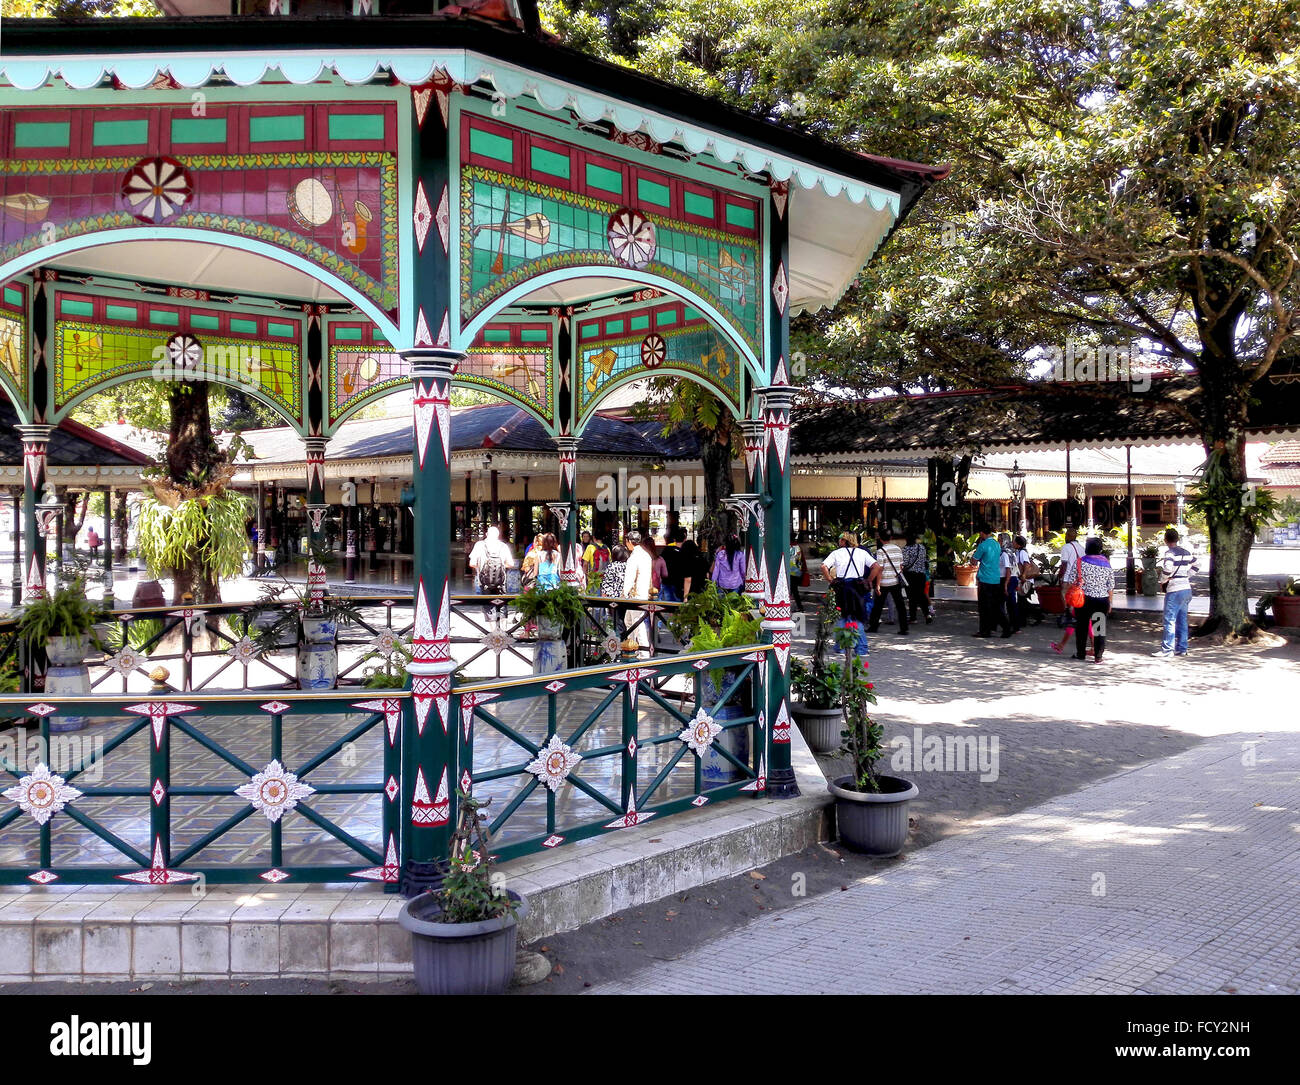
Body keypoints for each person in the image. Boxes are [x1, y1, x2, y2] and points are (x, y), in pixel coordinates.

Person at [822, 531, 879, 656]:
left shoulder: (836, 553)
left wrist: (831, 580)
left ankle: (841, 646)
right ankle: (861, 648)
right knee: (856, 616)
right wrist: (868, 580)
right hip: (857, 586)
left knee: (842, 616)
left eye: (840, 538)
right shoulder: (862, 552)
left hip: (842, 586)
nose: (839, 541)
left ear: (844, 540)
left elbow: (824, 566)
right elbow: (876, 566)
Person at [1155, 527, 1200, 657]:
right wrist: (1187, 575)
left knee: (1169, 620)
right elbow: (1198, 564)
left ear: (1165, 540)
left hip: (1174, 589)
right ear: (1177, 539)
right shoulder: (1186, 552)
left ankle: (1167, 650)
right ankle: (1182, 648)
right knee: (1182, 620)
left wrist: (1163, 580)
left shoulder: (1169, 554)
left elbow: (1168, 568)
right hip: (1186, 588)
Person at [1075, 536, 1114, 663]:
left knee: (1081, 627)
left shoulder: (1080, 562)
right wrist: (1110, 602)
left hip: (1084, 600)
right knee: (1099, 629)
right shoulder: (1106, 563)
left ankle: (1081, 653)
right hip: (1102, 600)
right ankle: (1098, 656)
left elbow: (1072, 580)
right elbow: (1111, 585)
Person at [468, 525, 515, 623]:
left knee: (488, 608)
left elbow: (472, 563)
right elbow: (511, 564)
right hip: (500, 582)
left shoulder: (479, 545)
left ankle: (491, 634)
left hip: (484, 583)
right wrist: (500, 566)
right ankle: (502, 634)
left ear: (486, 534)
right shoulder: (503, 546)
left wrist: (481, 567)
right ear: (498, 535)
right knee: (501, 607)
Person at [972, 524, 1011, 638]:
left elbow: (974, 561)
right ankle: (1005, 627)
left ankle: (985, 630)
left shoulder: (983, 545)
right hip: (996, 578)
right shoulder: (996, 544)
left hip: (985, 578)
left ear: (982, 533)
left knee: (984, 607)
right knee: (995, 606)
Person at [1051, 527, 1087, 653]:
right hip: (1079, 579)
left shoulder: (1066, 547)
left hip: (1068, 578)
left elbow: (1064, 564)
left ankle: (1068, 613)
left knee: (1067, 599)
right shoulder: (1082, 548)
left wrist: (1060, 576)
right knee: (1078, 605)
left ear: (1068, 536)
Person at [869, 529, 909, 635]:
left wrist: (877, 585)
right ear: (891, 538)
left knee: (878, 606)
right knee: (900, 605)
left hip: (884, 582)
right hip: (895, 581)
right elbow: (901, 566)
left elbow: (879, 569)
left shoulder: (880, 551)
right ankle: (904, 628)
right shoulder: (898, 549)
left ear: (880, 539)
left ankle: (873, 626)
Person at [624, 530, 654, 650]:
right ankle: (632, 647)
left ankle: (642, 651)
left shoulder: (634, 557)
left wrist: (625, 594)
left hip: (635, 595)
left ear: (630, 542)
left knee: (637, 624)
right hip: (644, 592)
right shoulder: (646, 555)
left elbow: (630, 578)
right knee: (630, 621)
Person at [900, 532, 931, 625]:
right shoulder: (921, 547)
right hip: (921, 575)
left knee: (912, 597)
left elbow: (905, 563)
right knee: (921, 595)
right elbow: (925, 560)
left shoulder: (906, 549)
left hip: (910, 575)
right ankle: (927, 614)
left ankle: (913, 618)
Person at [1004, 534, 1033, 632]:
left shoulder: (1022, 553)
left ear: (1018, 544)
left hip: (1024, 580)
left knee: (1021, 601)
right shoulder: (1017, 552)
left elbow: (1027, 564)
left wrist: (1024, 575)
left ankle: (1031, 616)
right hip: (1021, 579)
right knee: (1021, 601)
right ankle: (1022, 620)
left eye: (1014, 542)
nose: (1013, 543)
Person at [600, 544, 630, 638]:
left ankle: (618, 647)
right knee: (627, 624)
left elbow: (606, 585)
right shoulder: (629, 565)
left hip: (614, 601)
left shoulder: (611, 566)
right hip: (628, 599)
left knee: (617, 624)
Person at [787, 535, 806, 613]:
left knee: (791, 590)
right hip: (797, 571)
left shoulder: (787, 547)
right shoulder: (798, 547)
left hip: (788, 571)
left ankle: (790, 607)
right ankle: (799, 607)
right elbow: (802, 560)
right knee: (794, 590)